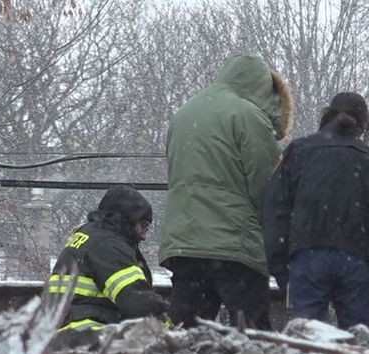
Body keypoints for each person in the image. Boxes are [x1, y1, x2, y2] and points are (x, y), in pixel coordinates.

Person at [160, 53, 294, 329]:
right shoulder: (249, 115)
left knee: (184, 333)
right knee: (253, 333)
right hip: (234, 245)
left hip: (184, 243)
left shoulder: (185, 113)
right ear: (262, 90)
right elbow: (267, 187)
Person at [262, 92, 369, 329]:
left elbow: (274, 209)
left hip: (307, 255)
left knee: (307, 334)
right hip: (353, 257)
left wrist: (279, 264)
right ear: (363, 124)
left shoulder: (299, 151)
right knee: (357, 336)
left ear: (328, 116)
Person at [48, 185, 167, 332]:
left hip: (68, 329)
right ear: (128, 219)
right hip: (87, 331)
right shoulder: (107, 244)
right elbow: (135, 298)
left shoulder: (91, 235)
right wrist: (169, 324)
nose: (144, 236)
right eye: (143, 226)